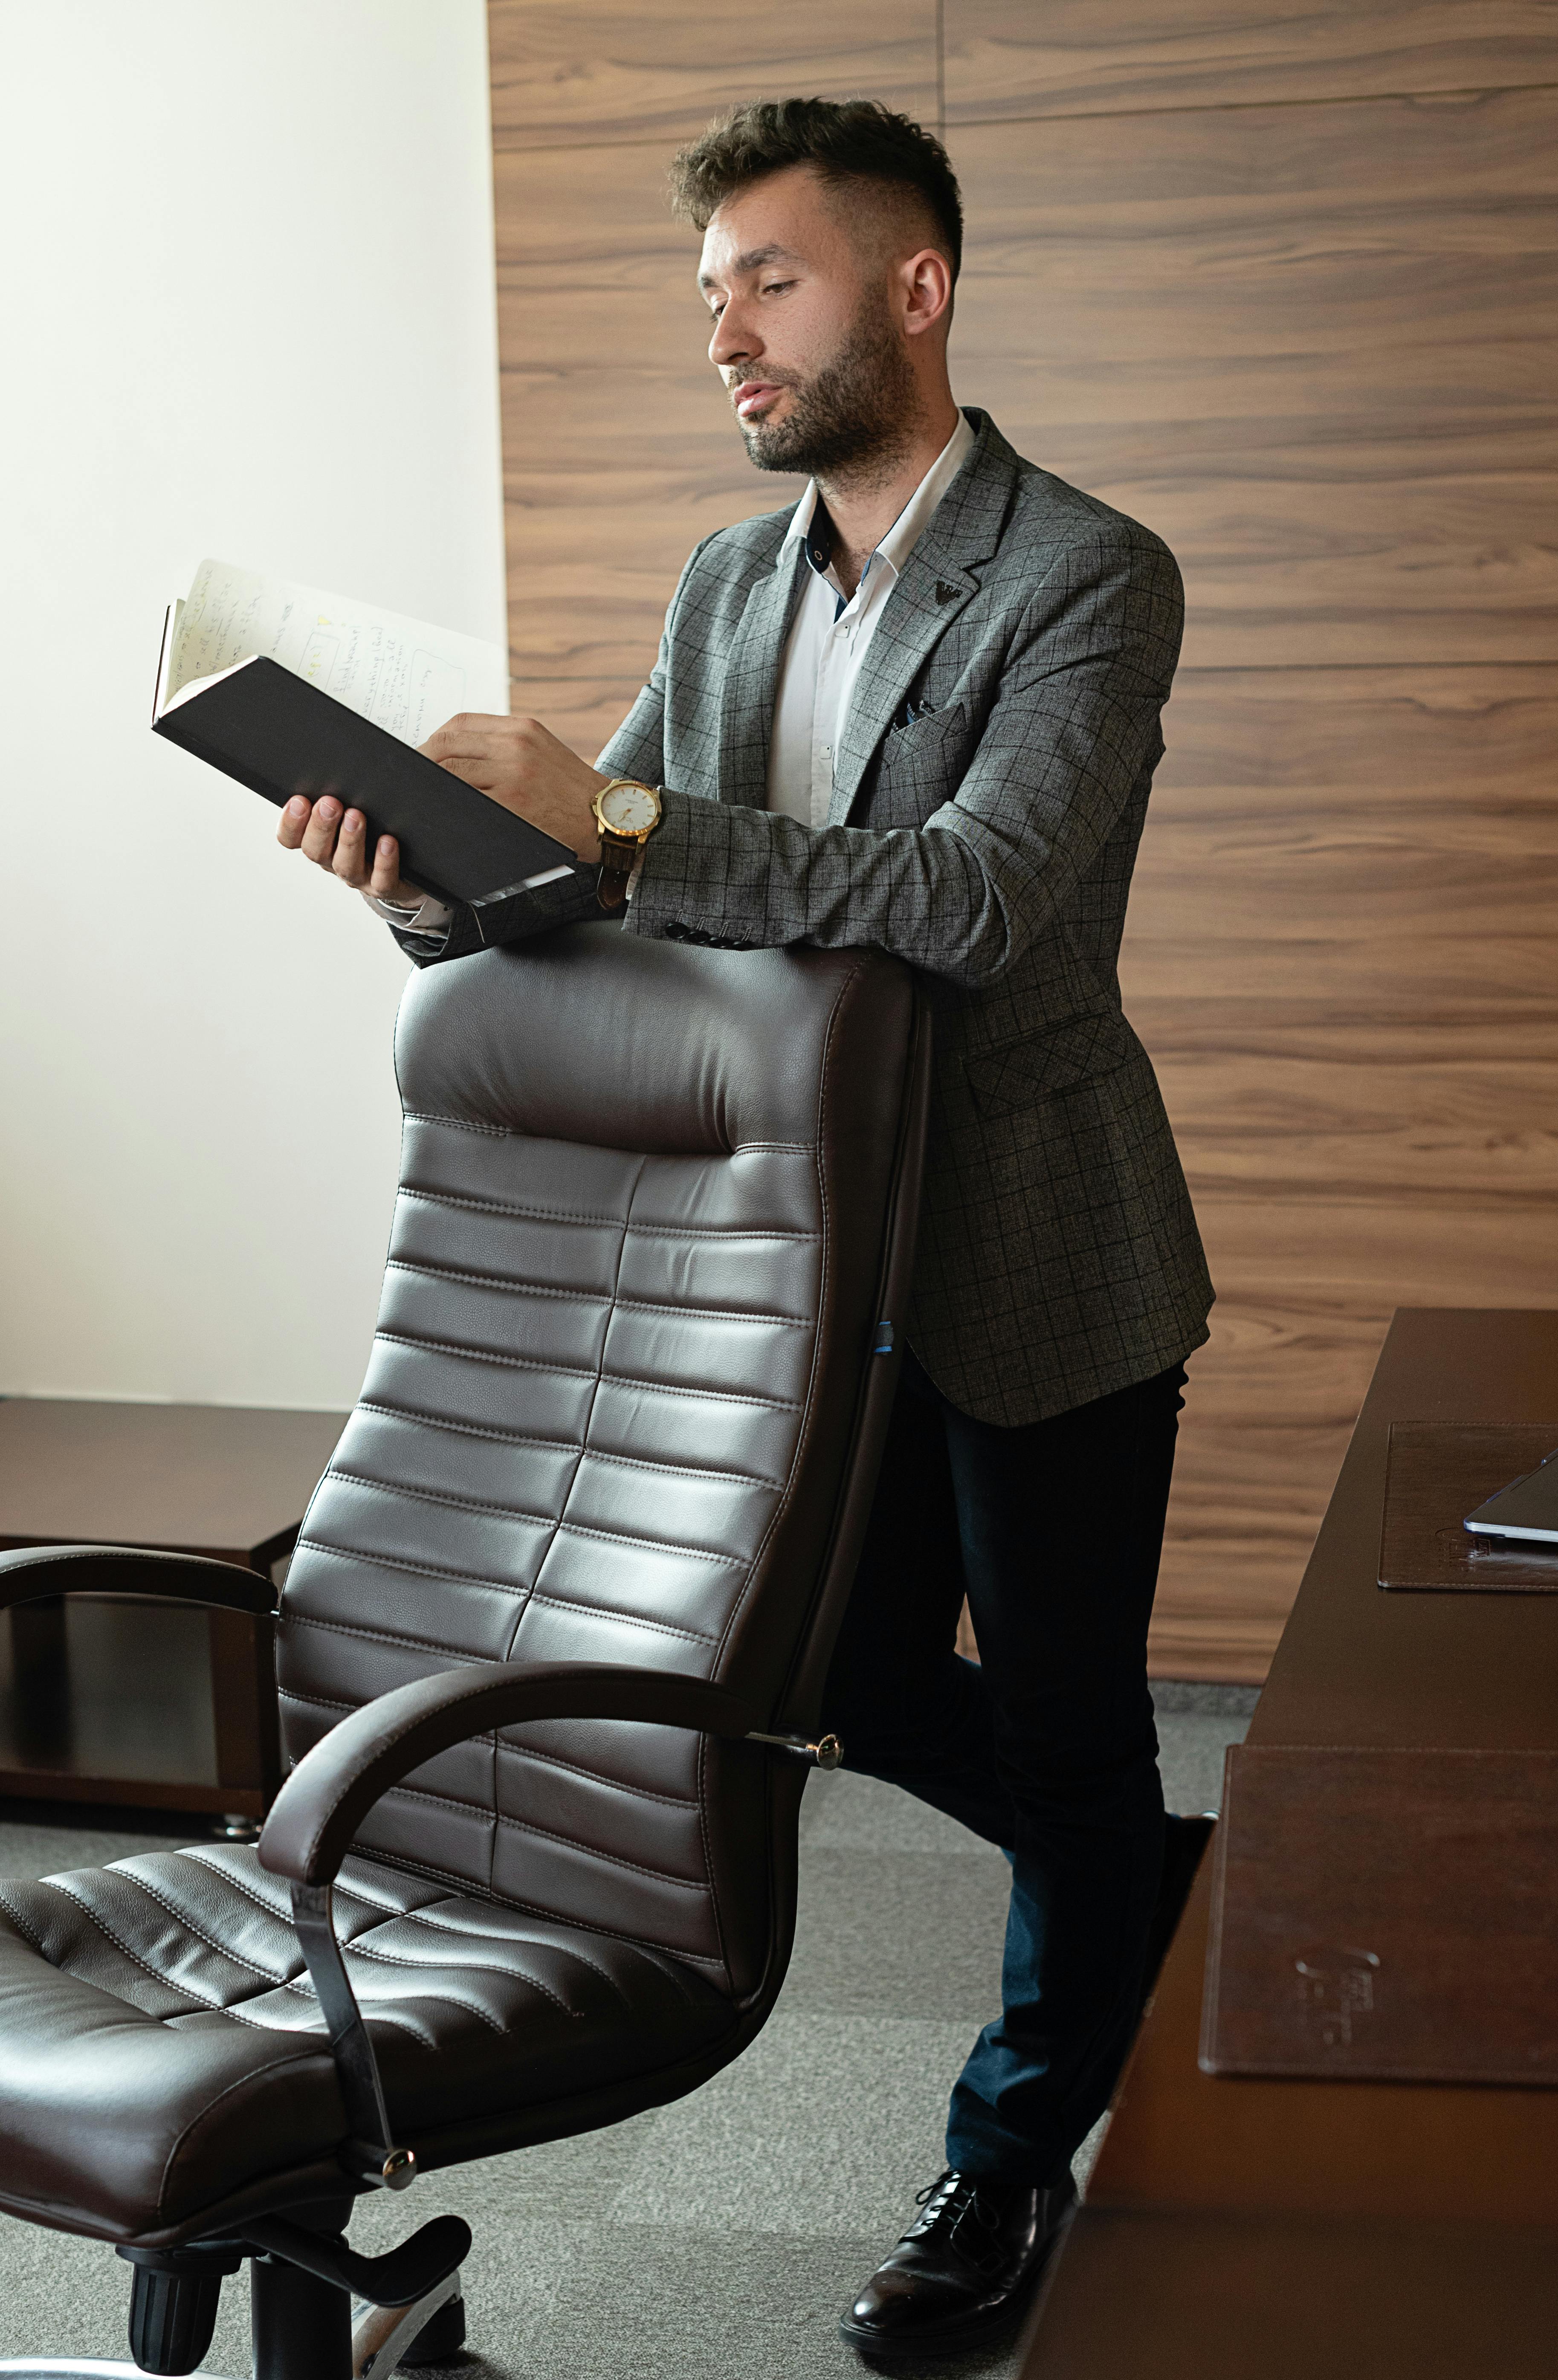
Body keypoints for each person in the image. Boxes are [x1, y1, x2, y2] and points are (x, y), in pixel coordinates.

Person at [277, 97, 1214, 2362]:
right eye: (710, 294)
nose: (730, 333)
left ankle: (997, 2171)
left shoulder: (1088, 573)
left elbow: (970, 903)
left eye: (768, 283)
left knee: (1072, 1737)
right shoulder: (725, 582)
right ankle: (1148, 1892)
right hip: (781, 1278)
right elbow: (588, 887)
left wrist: (596, 821)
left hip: (1031, 1255)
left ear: (916, 288)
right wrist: (413, 866)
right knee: (834, 1686)